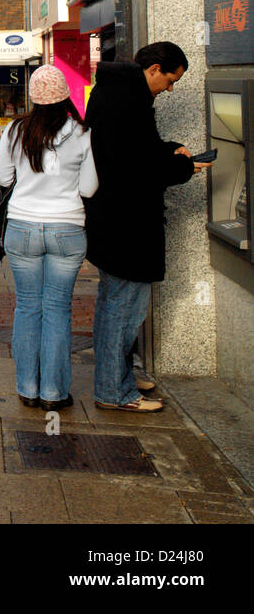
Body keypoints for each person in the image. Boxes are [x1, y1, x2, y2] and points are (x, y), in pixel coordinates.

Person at [85, 42, 208, 412]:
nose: (169, 90)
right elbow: (134, 168)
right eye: (170, 80)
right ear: (154, 69)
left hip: (112, 220)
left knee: (114, 304)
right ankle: (113, 391)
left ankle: (117, 374)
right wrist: (184, 168)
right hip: (128, 225)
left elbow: (134, 151)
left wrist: (169, 149)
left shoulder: (115, 93)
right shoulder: (129, 101)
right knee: (123, 310)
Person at [0, 66, 99, 411]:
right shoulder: (82, 133)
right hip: (67, 228)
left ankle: (27, 388)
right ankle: (54, 393)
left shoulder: (15, 130)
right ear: (65, 94)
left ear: (33, 98)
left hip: (22, 227)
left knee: (27, 307)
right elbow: (88, 188)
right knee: (56, 310)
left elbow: (2, 177)